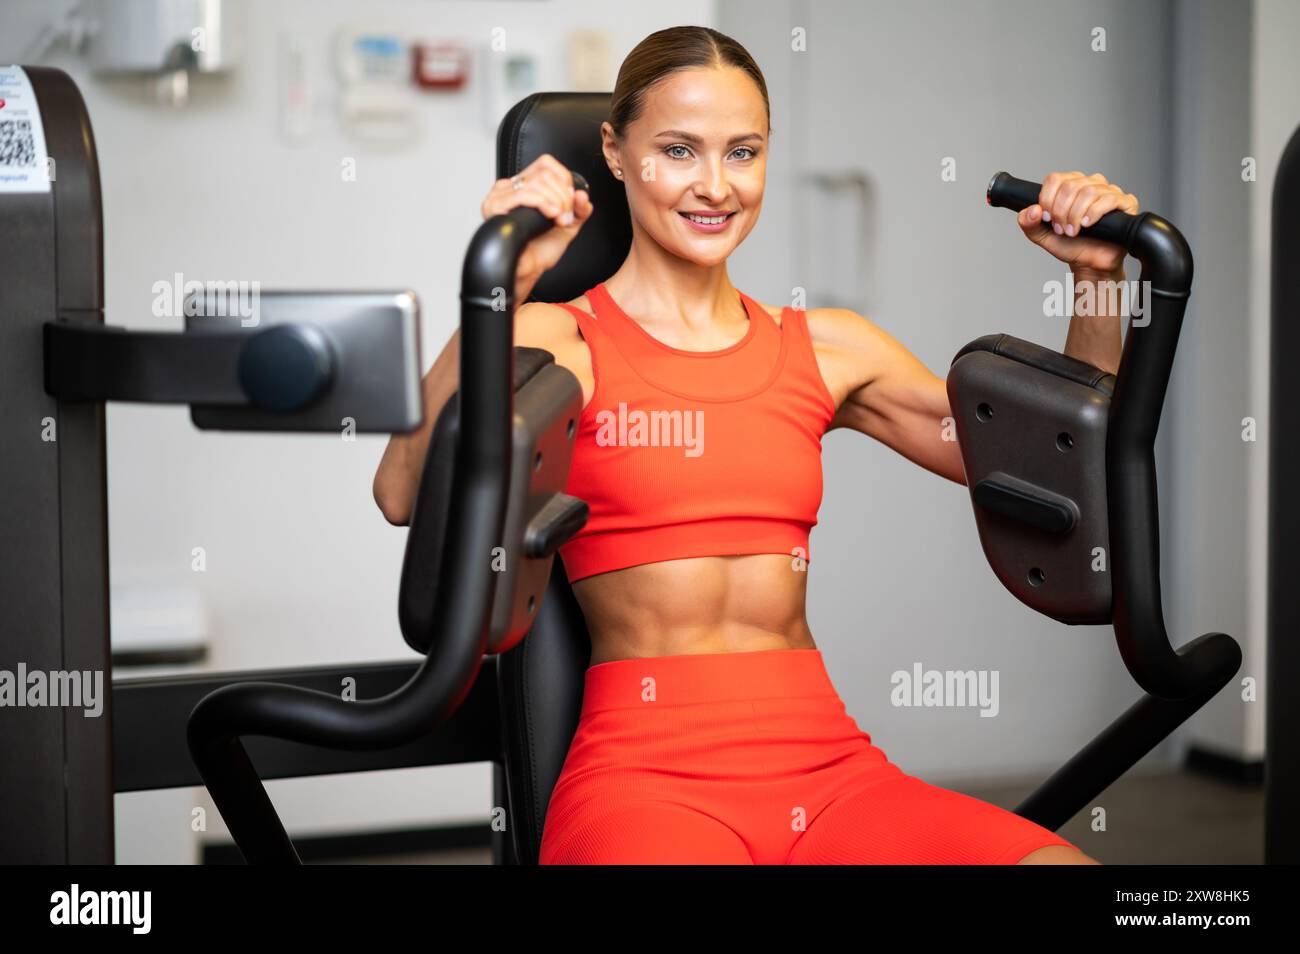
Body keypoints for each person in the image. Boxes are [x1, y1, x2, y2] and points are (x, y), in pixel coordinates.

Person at [373, 25, 1129, 864]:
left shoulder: (828, 347)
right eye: (678, 150)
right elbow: (403, 490)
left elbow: (1061, 474)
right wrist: (499, 287)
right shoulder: (562, 339)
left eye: (742, 152)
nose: (714, 185)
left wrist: (1097, 280)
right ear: (615, 154)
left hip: (830, 770)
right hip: (647, 781)